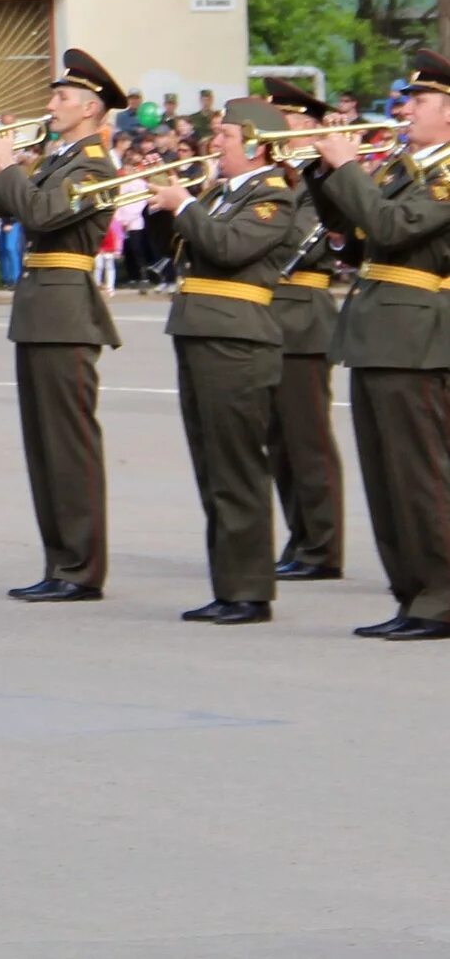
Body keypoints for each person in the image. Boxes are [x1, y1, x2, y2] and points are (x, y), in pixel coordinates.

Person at [0, 49, 126, 601]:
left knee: (69, 446)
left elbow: (39, 215)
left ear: (90, 109)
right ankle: (60, 561)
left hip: (67, 314)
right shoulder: (60, 159)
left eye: (61, 97)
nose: (50, 104)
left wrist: (9, 165)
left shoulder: (95, 167)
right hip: (39, 311)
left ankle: (82, 567)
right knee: (43, 448)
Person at [307, 51, 450, 639]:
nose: (405, 109)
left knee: (420, 477)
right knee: (385, 478)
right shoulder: (403, 165)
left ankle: (440, 599)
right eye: (408, 99)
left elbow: (393, 230)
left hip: (417, 336)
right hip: (376, 331)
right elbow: (354, 241)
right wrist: (324, 174)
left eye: (420, 101)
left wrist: (349, 171)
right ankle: (411, 594)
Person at [143, 98, 296, 623]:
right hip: (201, 331)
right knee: (212, 467)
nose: (217, 142)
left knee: (237, 467)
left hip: (236, 341)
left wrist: (185, 206)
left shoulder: (273, 197)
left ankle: (250, 591)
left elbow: (228, 249)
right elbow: (187, 253)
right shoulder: (221, 194)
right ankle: (229, 585)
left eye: (228, 135)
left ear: (257, 146)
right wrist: (166, 213)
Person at [256, 78, 346, 580]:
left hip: (304, 316)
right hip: (270, 315)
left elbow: (306, 242)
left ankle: (323, 547)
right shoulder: (278, 175)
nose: (272, 127)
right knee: (280, 442)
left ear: (308, 127)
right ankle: (301, 538)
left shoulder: (320, 176)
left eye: (283, 119)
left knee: (307, 440)